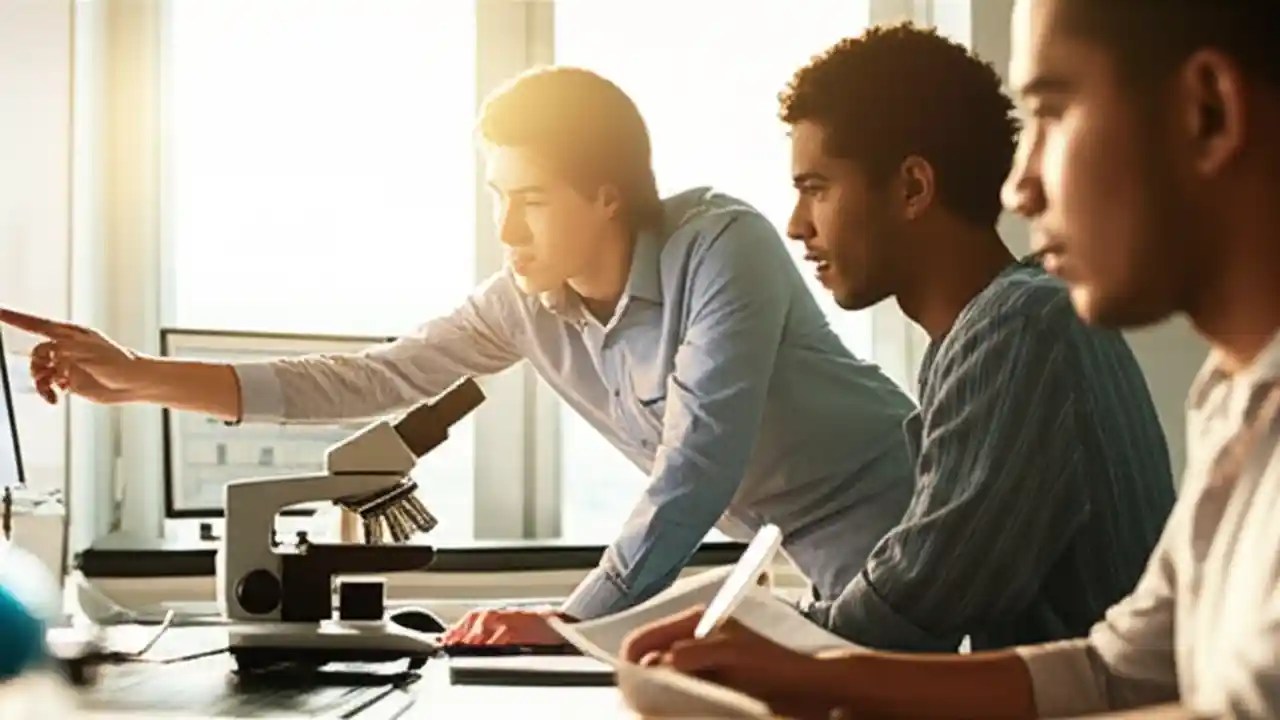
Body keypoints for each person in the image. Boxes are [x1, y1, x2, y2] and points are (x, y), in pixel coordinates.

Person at [0, 66, 918, 645]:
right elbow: (366, 378)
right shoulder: (525, 302)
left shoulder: (724, 246)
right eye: (496, 195)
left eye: (533, 199)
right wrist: (137, 377)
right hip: (807, 549)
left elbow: (699, 465)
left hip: (913, 506)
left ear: (608, 195)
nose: (507, 227)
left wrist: (568, 620)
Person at [620, 1, 1280, 718]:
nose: (1021, 187)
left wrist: (791, 653)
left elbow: (913, 610)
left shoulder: (1020, 325)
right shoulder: (1231, 396)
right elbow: (1116, 673)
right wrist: (807, 672)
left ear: (1207, 113)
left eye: (1053, 116)